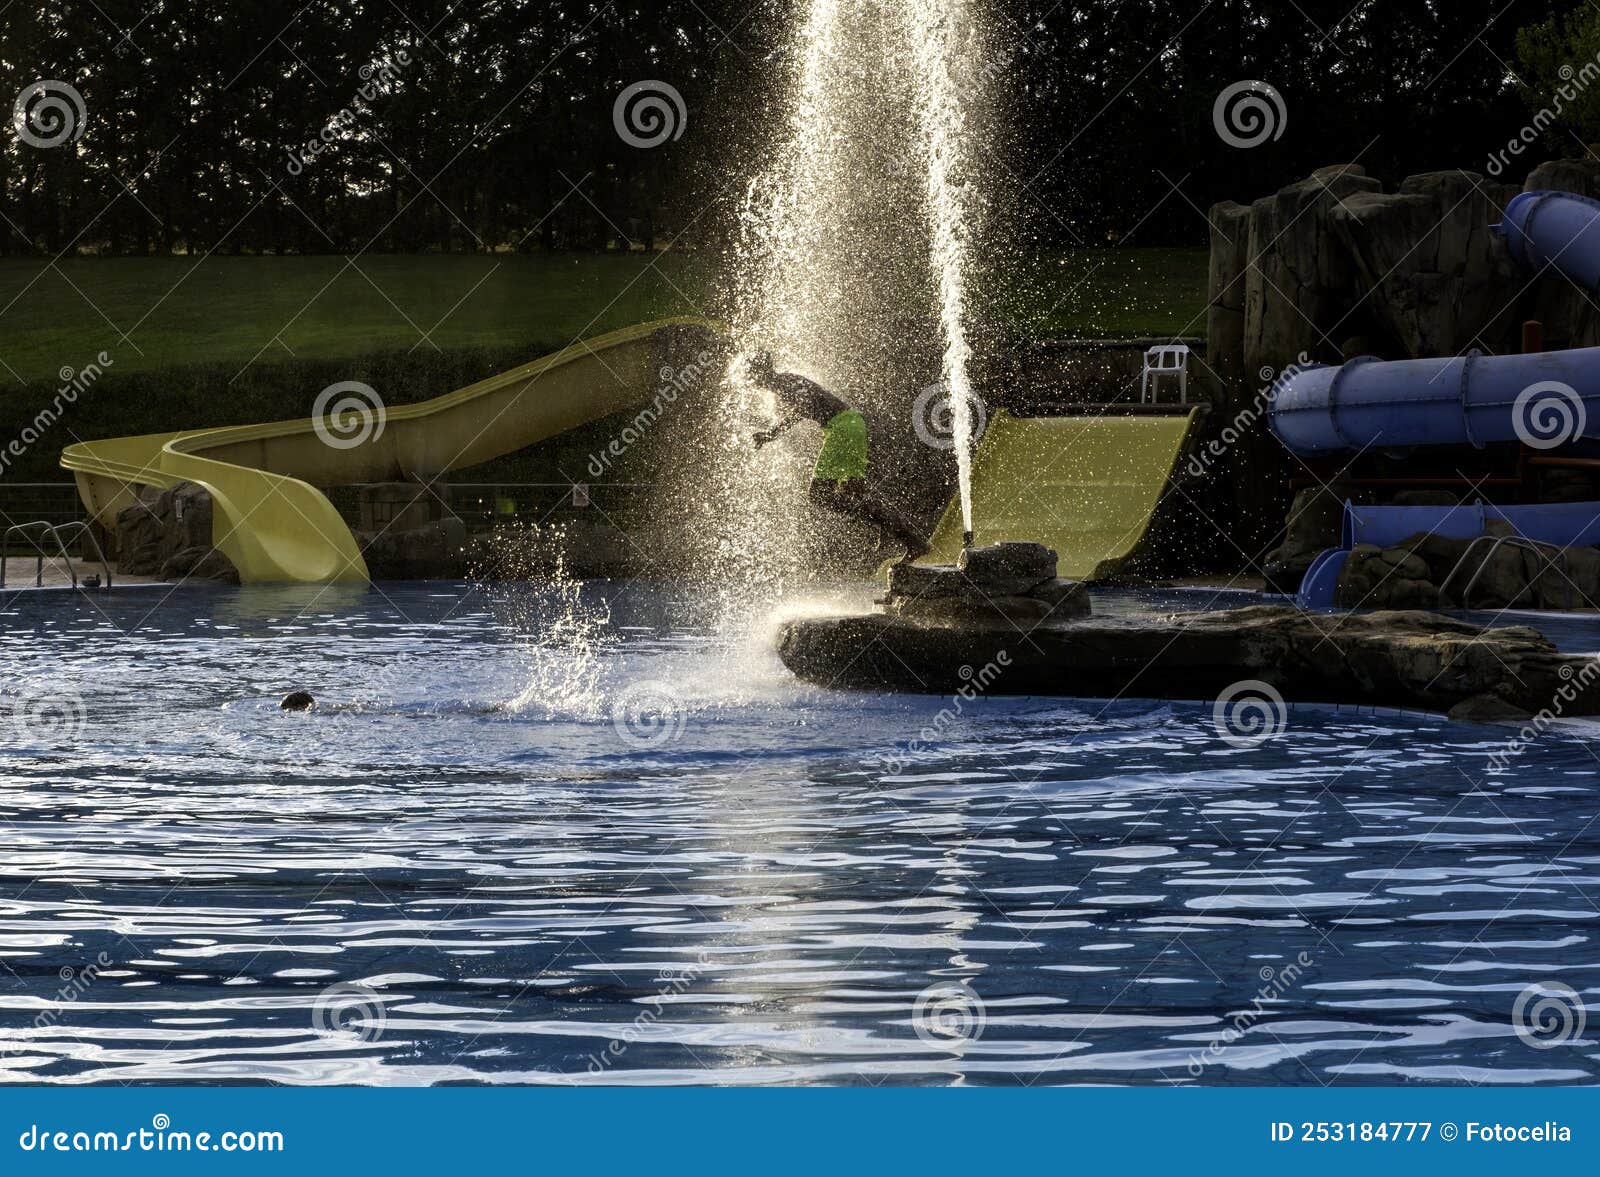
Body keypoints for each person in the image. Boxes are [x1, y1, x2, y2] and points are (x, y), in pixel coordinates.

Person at [746, 352, 929, 562]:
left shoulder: (784, 382)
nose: (748, 379)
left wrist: (772, 433)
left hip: (842, 429)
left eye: (750, 373)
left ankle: (888, 526)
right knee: (855, 491)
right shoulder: (785, 381)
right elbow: (807, 404)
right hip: (853, 424)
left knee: (818, 493)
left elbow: (804, 406)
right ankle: (909, 540)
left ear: (760, 373)